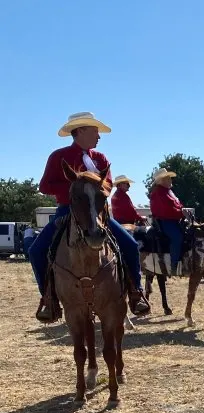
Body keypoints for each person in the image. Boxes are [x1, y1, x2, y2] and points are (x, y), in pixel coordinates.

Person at [31, 111, 149, 321]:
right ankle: (48, 299)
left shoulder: (101, 158)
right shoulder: (58, 156)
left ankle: (135, 292)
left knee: (130, 245)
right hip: (67, 211)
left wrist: (94, 190)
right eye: (95, 131)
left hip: (98, 214)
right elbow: (44, 186)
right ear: (81, 131)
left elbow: (109, 185)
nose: (99, 136)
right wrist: (76, 187)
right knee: (36, 251)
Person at [149, 168, 185, 274]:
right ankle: (173, 265)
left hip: (173, 219)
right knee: (177, 237)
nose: (170, 179)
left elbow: (177, 205)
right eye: (167, 178)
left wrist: (183, 210)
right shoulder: (158, 192)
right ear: (162, 180)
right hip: (165, 221)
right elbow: (165, 210)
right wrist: (181, 213)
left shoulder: (168, 191)